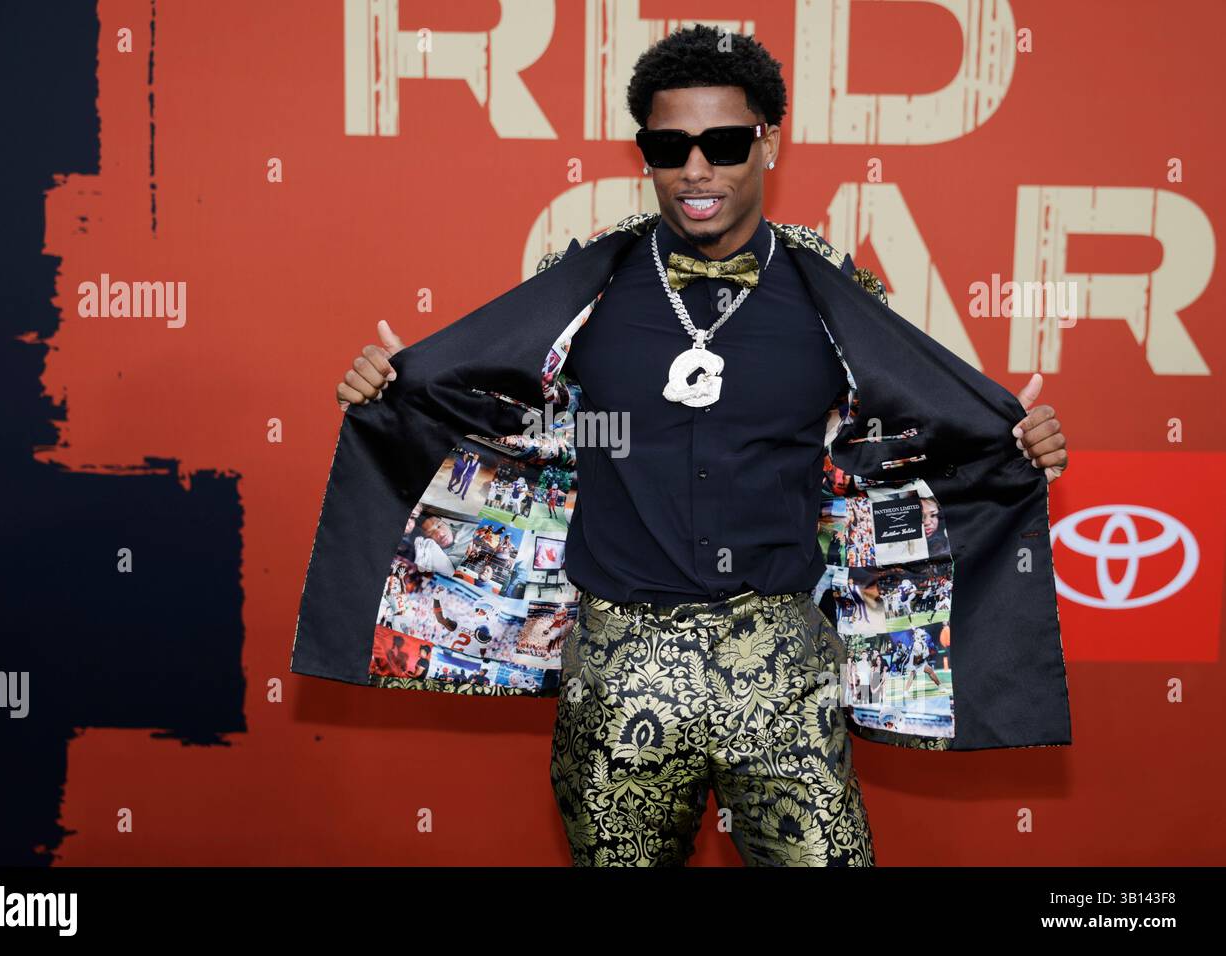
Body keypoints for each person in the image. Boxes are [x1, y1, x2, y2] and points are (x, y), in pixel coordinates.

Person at [321, 26, 1069, 867]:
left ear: (768, 143)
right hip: (615, 665)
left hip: (784, 665)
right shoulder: (587, 284)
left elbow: (898, 439)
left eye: (722, 142)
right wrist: (396, 391)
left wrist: (1013, 442)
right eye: (670, 145)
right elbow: (539, 433)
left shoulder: (831, 291)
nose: (696, 168)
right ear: (645, 150)